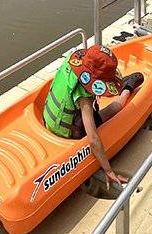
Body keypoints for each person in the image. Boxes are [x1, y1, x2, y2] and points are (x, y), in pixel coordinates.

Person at [43, 45, 144, 190]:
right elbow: (93, 139)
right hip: (68, 133)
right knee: (115, 108)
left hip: (49, 122)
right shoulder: (84, 96)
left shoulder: (69, 63)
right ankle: (126, 89)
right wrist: (108, 171)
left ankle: (123, 87)